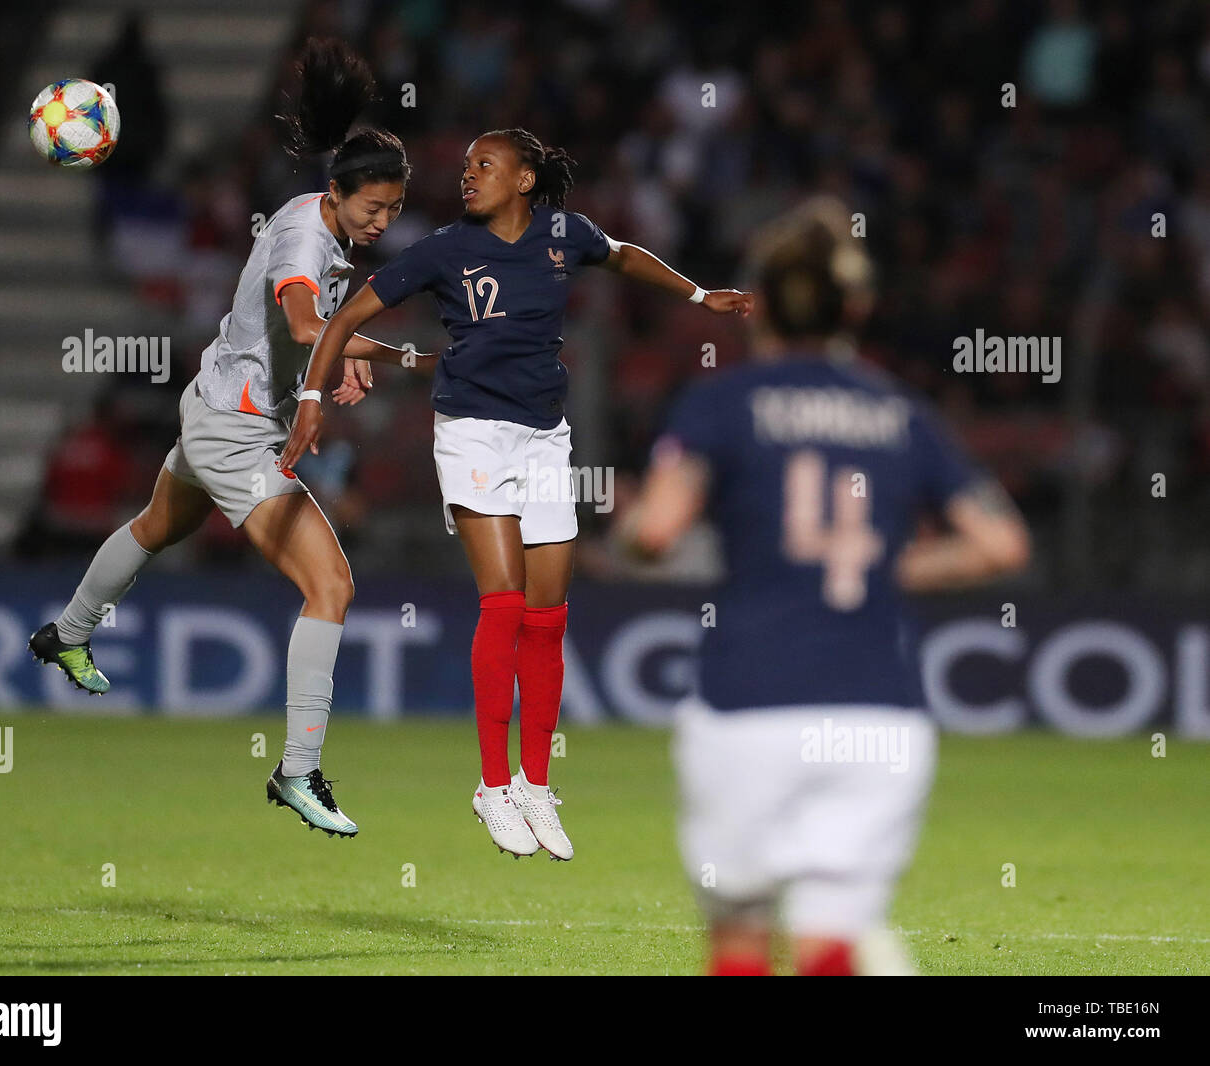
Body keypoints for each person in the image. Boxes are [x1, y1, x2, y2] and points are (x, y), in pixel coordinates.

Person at [278, 128, 753, 859]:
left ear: (525, 179)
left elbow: (622, 255)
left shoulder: (566, 235)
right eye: (466, 165)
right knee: (501, 602)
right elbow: (343, 319)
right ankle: (492, 785)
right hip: (470, 432)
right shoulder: (443, 249)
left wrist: (696, 294)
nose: (468, 176)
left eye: (485, 166)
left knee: (548, 614)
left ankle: (535, 784)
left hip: (543, 437)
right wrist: (313, 393)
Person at [29, 39, 429, 840]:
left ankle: (64, 633)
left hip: (220, 404)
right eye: (373, 209)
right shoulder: (304, 242)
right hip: (237, 433)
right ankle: (297, 769)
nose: (382, 223)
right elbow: (307, 322)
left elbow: (308, 337)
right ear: (338, 192)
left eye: (391, 210)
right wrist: (396, 354)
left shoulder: (315, 221)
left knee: (155, 527)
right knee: (332, 588)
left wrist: (329, 370)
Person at [622, 197, 1032, 975]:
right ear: (858, 308)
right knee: (831, 939)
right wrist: (888, 567)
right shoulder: (901, 410)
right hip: (880, 712)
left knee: (741, 929)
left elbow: (652, 533)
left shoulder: (723, 402)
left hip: (749, 701)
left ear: (760, 306)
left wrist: (626, 531)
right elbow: (1001, 543)